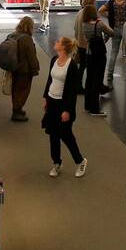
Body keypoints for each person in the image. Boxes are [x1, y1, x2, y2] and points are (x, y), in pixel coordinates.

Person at [42, 35, 85, 177]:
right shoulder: (54, 60)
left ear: (64, 47)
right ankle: (57, 163)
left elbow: (72, 91)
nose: (55, 42)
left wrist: (67, 110)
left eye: (58, 42)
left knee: (66, 135)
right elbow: (50, 79)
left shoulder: (72, 66)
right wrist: (45, 97)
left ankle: (80, 161)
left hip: (63, 104)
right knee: (53, 135)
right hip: (52, 101)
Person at [0, 14, 40, 120]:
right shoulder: (27, 39)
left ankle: (17, 109)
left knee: (15, 89)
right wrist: (35, 69)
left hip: (14, 67)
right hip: (25, 70)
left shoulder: (12, 35)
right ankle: (17, 112)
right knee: (23, 91)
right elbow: (31, 56)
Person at [76, 0, 113, 116]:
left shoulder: (84, 24)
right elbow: (111, 32)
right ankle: (95, 108)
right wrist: (105, 38)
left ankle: (87, 104)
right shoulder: (99, 24)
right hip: (99, 53)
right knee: (97, 79)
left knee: (89, 78)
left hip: (89, 52)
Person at [100, 0, 126, 89]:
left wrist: (109, 16)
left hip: (115, 29)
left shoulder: (112, 1)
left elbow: (100, 10)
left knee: (114, 52)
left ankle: (110, 74)